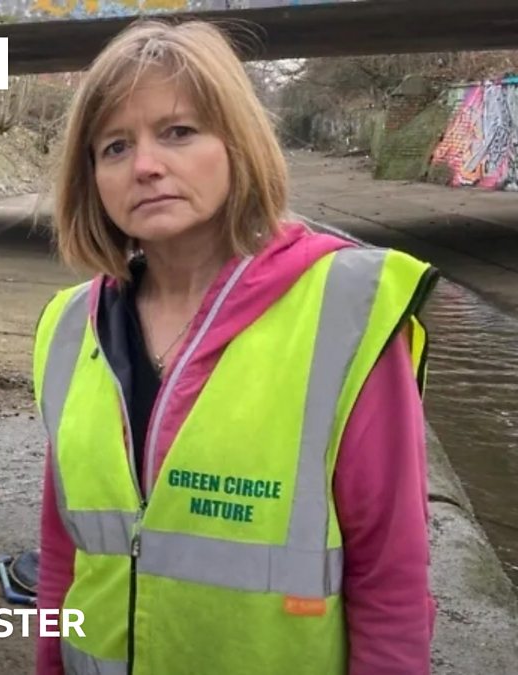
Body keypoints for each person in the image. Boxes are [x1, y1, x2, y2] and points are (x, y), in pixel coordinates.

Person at [32, 18, 439, 675]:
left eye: (178, 132)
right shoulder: (68, 329)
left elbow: (391, 582)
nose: (145, 165)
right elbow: (62, 551)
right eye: (113, 146)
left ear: (237, 143)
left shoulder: (342, 313)